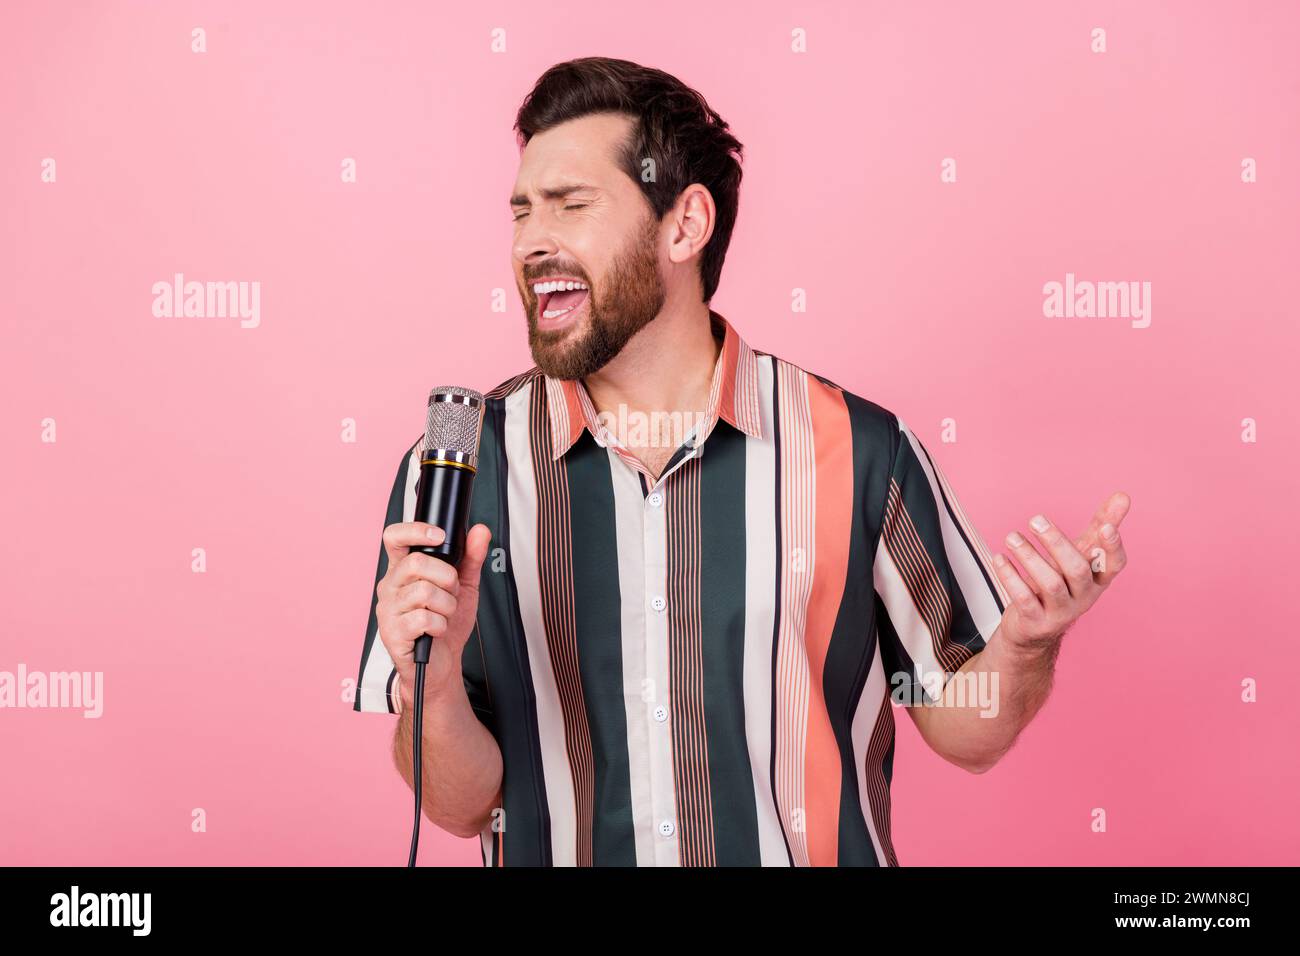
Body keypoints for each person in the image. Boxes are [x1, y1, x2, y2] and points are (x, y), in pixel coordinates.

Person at [352, 57, 1131, 866]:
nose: (532, 242)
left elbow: (970, 733)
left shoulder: (858, 449)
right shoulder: (458, 468)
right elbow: (463, 804)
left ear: (685, 226)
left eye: (571, 206)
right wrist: (432, 689)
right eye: (520, 213)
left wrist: (1030, 644)